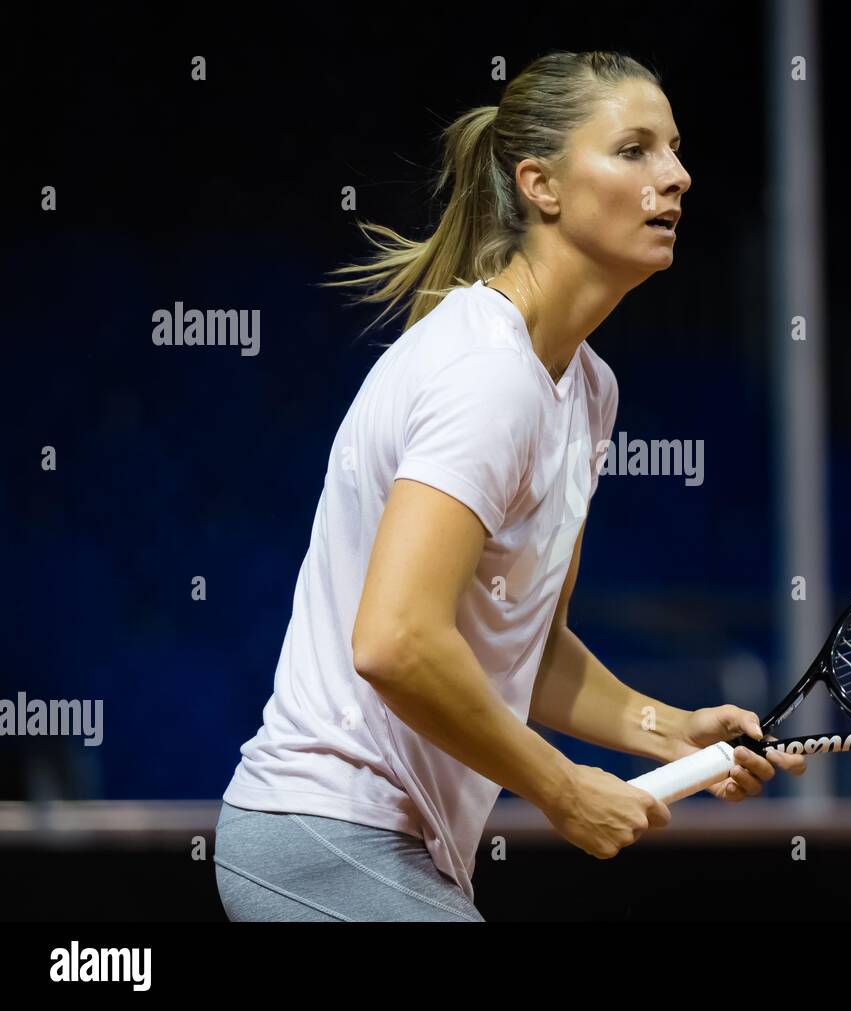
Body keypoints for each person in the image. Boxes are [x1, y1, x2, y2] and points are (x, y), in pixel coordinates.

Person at [214, 49, 804, 923]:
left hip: (388, 852)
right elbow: (396, 640)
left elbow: (531, 654)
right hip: (325, 835)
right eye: (635, 150)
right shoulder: (487, 374)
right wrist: (562, 788)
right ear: (542, 185)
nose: (677, 176)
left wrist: (665, 727)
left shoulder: (588, 390)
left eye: (675, 149)